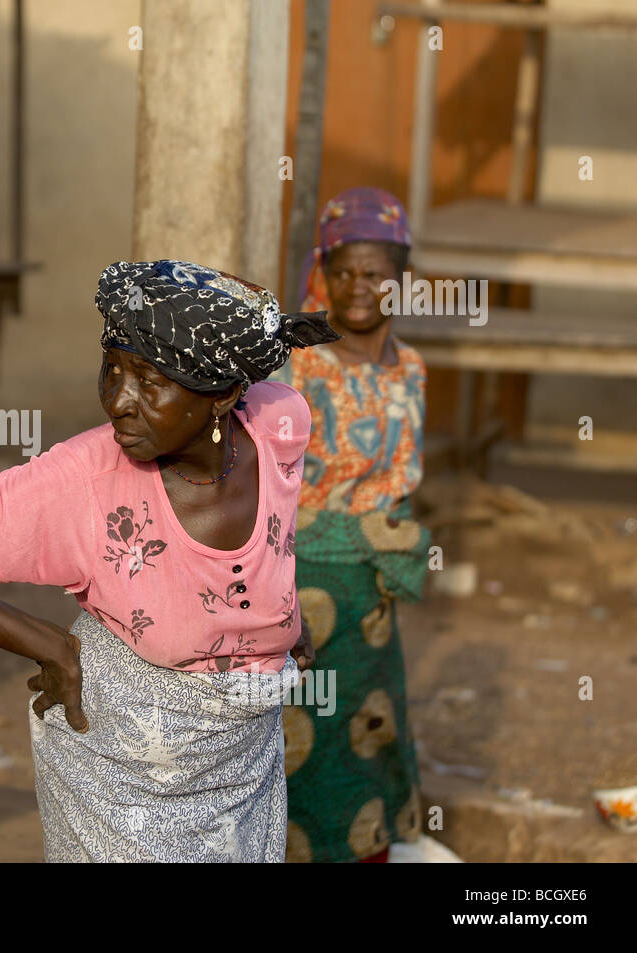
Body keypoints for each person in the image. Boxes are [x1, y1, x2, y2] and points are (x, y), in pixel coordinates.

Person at [0, 259, 336, 862]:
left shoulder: (280, 424)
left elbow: (269, 534)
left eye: (149, 381)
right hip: (121, 760)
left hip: (242, 758)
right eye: (111, 371)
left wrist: (276, 610)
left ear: (223, 395)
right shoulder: (84, 482)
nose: (118, 402)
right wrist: (45, 642)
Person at [271, 187, 432, 862]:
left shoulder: (413, 370)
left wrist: (392, 541)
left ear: (402, 280)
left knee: (367, 736)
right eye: (342, 272)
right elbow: (264, 490)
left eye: (374, 273)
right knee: (296, 742)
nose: (357, 287)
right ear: (322, 273)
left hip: (371, 602)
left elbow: (399, 486)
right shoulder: (293, 362)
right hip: (300, 585)